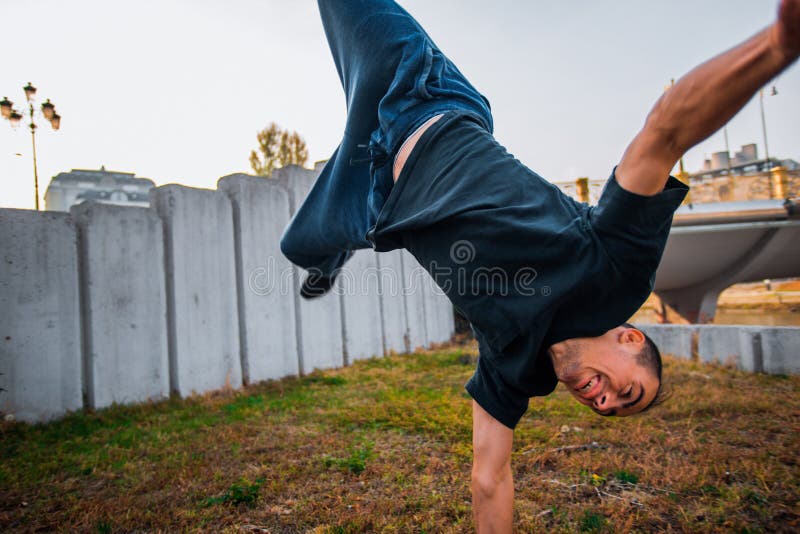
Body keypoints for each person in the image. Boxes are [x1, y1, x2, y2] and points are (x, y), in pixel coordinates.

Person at [280, 0, 800, 530]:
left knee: (296, 242)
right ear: (630, 340)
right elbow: (664, 133)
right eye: (627, 391)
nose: (605, 402)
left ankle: (325, 250)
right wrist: (776, 47)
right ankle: (329, 254)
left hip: (374, 191)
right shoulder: (616, 273)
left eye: (611, 411)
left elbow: (490, 478)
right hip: (422, 99)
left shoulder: (516, 372)